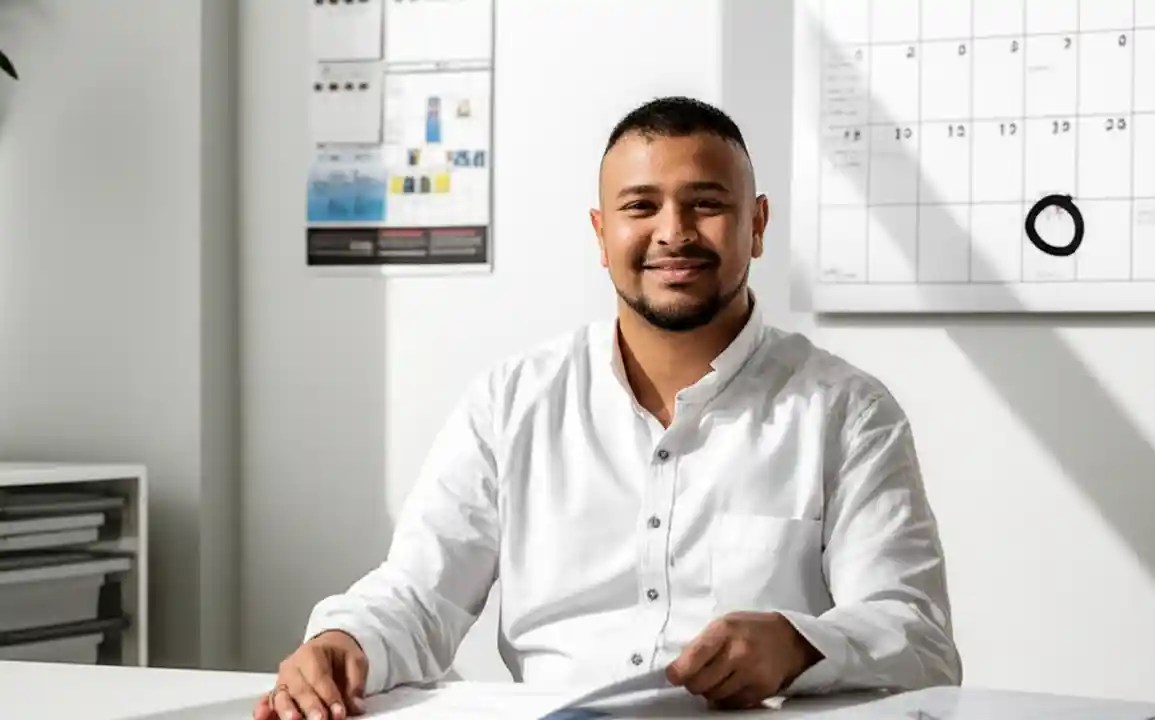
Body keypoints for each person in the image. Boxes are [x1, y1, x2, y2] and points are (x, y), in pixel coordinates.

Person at [254, 96, 961, 720]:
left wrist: (800, 644)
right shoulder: (514, 401)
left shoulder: (846, 411)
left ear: (758, 225)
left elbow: (919, 637)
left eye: (707, 204)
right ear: (601, 233)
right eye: (640, 206)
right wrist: (341, 642)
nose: (673, 232)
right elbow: (416, 594)